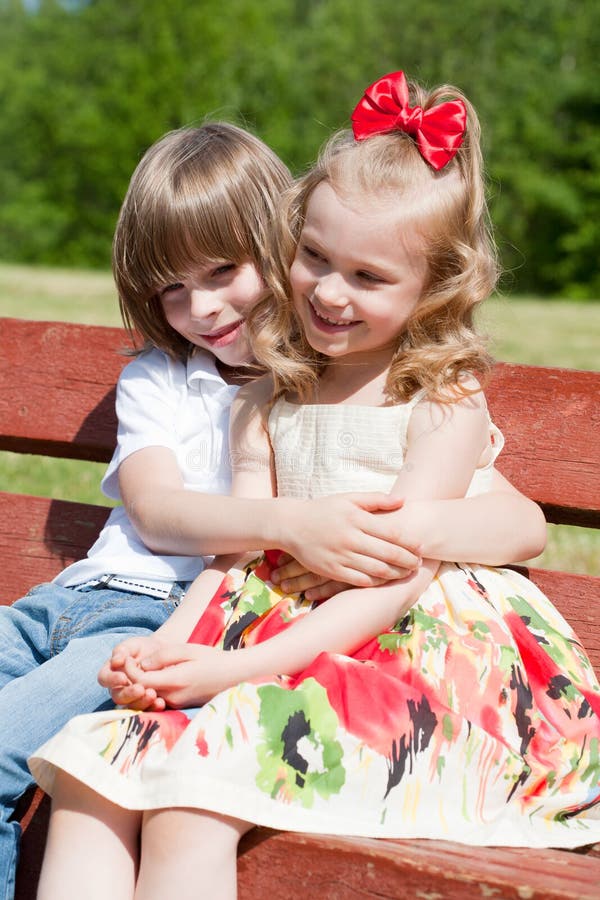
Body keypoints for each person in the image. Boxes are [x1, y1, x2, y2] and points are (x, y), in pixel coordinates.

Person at [29, 70, 598, 900]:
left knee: (189, 800)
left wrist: (227, 673)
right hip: (277, 642)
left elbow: (398, 576)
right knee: (90, 773)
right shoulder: (267, 398)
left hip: (407, 662)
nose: (329, 292)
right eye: (316, 258)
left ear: (436, 287)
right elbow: (235, 557)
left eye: (368, 277)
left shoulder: (441, 400)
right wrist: (175, 647)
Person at [0, 119, 436, 900]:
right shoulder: (160, 376)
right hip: (58, 604)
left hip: (154, 625)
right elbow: (155, 509)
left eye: (223, 270)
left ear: (284, 245)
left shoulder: (321, 386)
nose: (201, 307)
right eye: (172, 289)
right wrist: (288, 524)